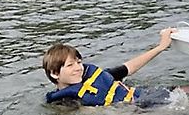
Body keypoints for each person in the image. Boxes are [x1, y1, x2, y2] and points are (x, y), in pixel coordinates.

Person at [42, 28, 178, 106]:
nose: (78, 68)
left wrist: (161, 47)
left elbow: (129, 67)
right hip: (139, 109)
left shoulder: (95, 78)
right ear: (55, 73)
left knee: (184, 90)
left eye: (79, 62)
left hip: (146, 96)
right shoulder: (67, 103)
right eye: (70, 65)